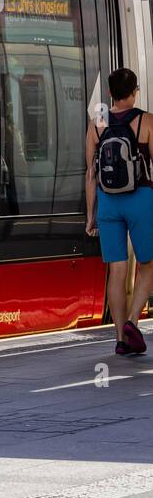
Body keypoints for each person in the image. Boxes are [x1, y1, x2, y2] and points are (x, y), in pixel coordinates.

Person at [85, 67, 152, 357]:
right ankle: (133, 323)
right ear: (135, 91)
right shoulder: (146, 120)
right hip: (140, 199)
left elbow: (90, 171)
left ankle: (120, 338)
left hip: (107, 202)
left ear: (110, 93)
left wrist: (90, 215)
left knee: (116, 268)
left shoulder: (98, 119)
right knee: (147, 264)